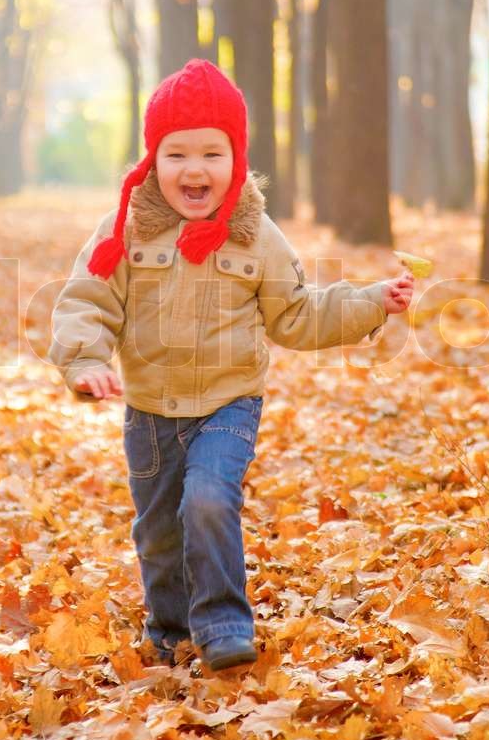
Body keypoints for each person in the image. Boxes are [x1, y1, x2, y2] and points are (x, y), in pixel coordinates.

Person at [49, 59, 414, 673]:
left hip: (228, 402)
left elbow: (297, 313)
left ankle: (222, 625)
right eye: (178, 154)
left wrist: (371, 301)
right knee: (160, 531)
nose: (195, 170)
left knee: (210, 500)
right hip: (150, 411)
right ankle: (169, 632)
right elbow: (88, 300)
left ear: (237, 159)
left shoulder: (256, 237)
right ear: (152, 160)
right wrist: (85, 363)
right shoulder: (125, 230)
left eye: (212, 155)